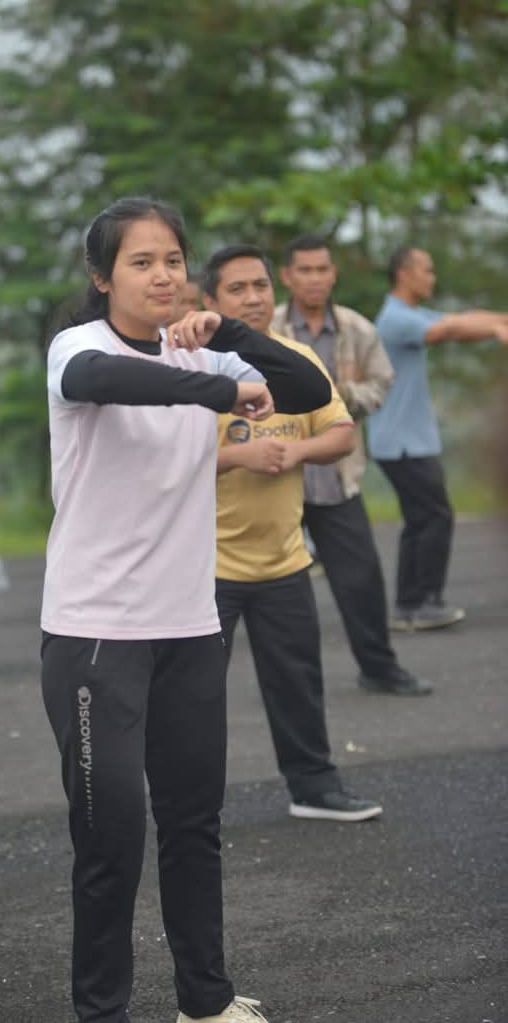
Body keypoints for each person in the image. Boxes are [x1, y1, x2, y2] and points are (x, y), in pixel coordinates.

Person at [41, 197, 331, 1023]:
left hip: (190, 627)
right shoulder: (80, 346)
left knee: (194, 824)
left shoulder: (206, 352)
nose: (162, 275)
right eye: (141, 262)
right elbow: (104, 382)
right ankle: (102, 1011)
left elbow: (309, 387)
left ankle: (205, 1001)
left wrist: (231, 336)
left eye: (173, 259)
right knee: (110, 836)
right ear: (102, 276)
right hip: (95, 632)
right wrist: (220, 389)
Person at [204, 244, 383, 822]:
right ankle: (187, 805)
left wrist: (295, 451)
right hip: (205, 569)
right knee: (192, 697)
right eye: (237, 289)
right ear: (210, 302)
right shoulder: (192, 367)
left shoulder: (296, 360)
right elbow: (164, 464)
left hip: (283, 561)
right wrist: (241, 456)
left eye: (260, 286)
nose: (253, 298)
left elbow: (342, 433)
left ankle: (314, 788)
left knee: (298, 683)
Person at [273, 234, 431, 693]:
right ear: (287, 276)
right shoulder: (269, 328)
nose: (315, 278)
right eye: (305, 270)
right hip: (280, 476)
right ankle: (284, 686)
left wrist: (341, 393)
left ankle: (379, 669)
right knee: (269, 589)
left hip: (337, 475)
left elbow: (382, 384)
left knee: (361, 580)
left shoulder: (357, 329)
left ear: (333, 274)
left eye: (322, 269)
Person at [367, 246, 508, 631]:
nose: (432, 277)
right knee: (434, 517)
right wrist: (496, 331)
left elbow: (460, 319)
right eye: (426, 270)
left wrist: (500, 319)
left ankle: (411, 604)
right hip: (402, 443)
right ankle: (420, 602)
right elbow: (449, 331)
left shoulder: (408, 313)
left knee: (423, 519)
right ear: (404, 274)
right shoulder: (396, 319)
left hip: (405, 441)